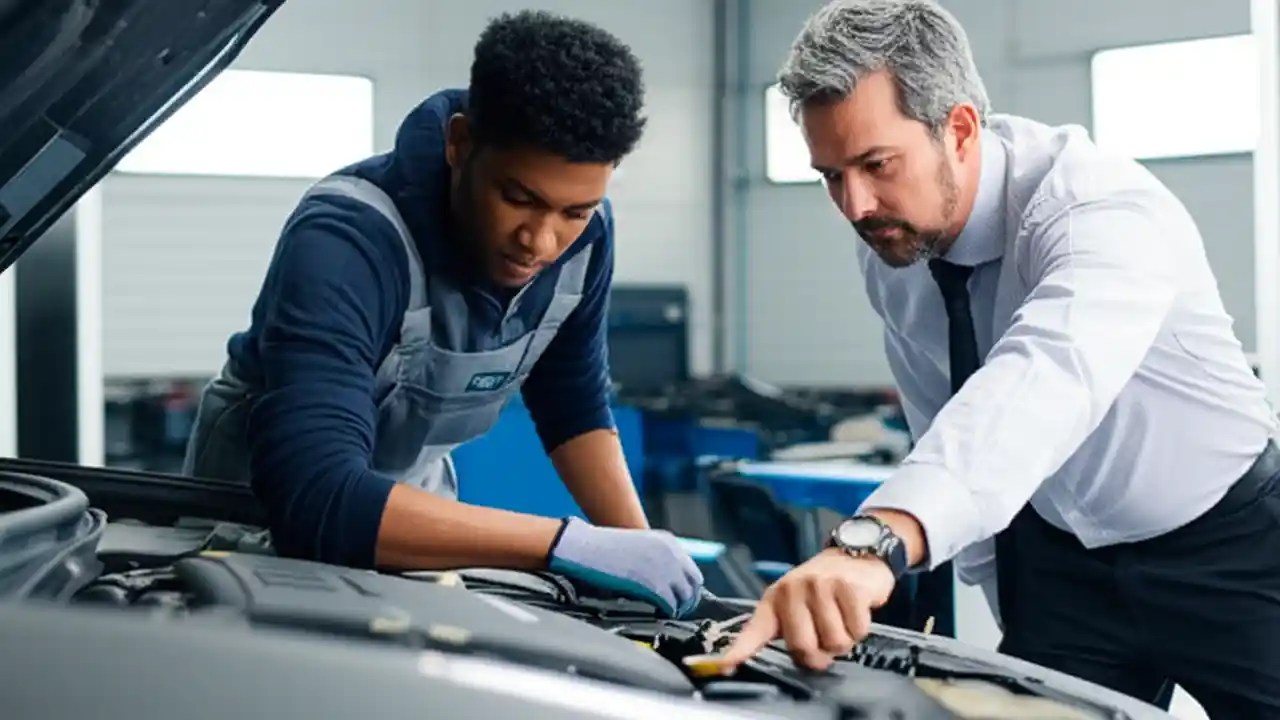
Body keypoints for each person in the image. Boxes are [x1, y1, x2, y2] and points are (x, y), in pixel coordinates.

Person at [721, 0, 1280, 715]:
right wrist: (998, 590)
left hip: (1229, 548)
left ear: (957, 129)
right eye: (830, 175)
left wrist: (873, 542)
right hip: (1060, 569)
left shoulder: (1098, 207)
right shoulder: (894, 249)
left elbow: (1045, 381)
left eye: (876, 164)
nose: (855, 205)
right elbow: (940, 415)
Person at [182, 10, 704, 618]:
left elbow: (573, 406)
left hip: (409, 521)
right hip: (254, 535)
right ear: (460, 143)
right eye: (518, 198)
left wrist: (641, 556)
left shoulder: (588, 237)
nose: (540, 240)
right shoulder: (347, 239)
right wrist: (569, 545)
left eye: (576, 210)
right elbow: (316, 496)